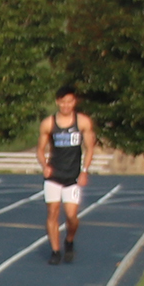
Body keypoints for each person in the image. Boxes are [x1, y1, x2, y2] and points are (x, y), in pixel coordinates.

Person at [36, 85, 96, 265]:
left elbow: (90, 148)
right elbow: (40, 149)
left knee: (71, 216)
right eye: (63, 102)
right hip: (54, 175)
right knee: (52, 212)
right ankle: (55, 251)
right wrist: (44, 165)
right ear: (58, 102)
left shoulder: (83, 122)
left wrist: (85, 171)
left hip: (73, 177)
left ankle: (69, 240)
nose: (66, 105)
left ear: (74, 102)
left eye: (70, 102)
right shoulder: (48, 123)